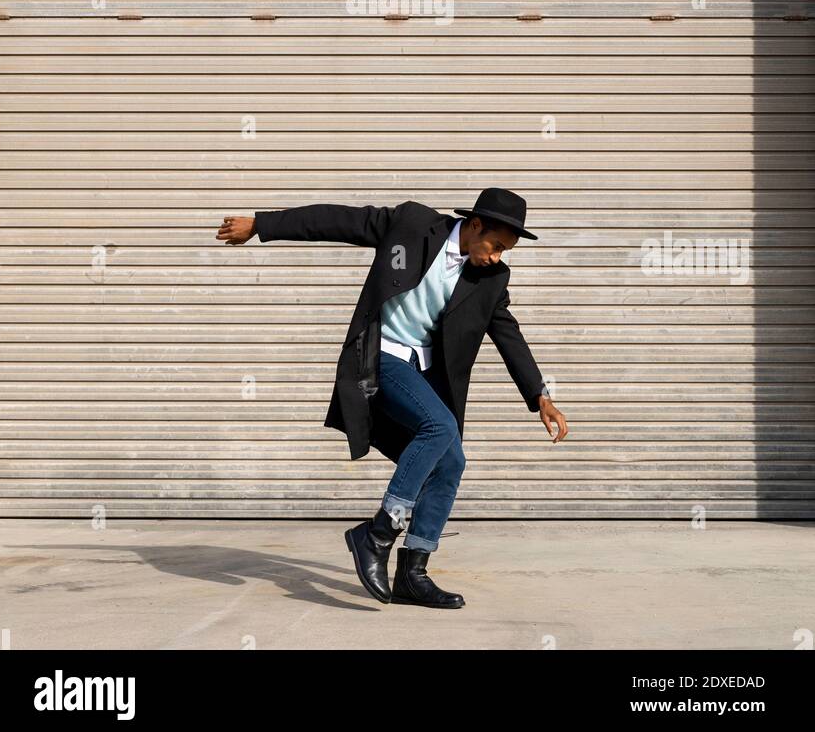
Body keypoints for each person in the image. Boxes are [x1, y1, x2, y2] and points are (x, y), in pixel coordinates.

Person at [217, 187, 568, 608]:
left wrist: (540, 395)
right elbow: (339, 221)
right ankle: (378, 533)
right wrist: (262, 224)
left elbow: (508, 333)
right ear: (474, 225)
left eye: (506, 252)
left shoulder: (492, 279)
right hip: (378, 356)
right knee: (438, 427)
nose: (497, 257)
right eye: (495, 246)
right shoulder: (412, 224)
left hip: (420, 370)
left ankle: (412, 573)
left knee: (451, 460)